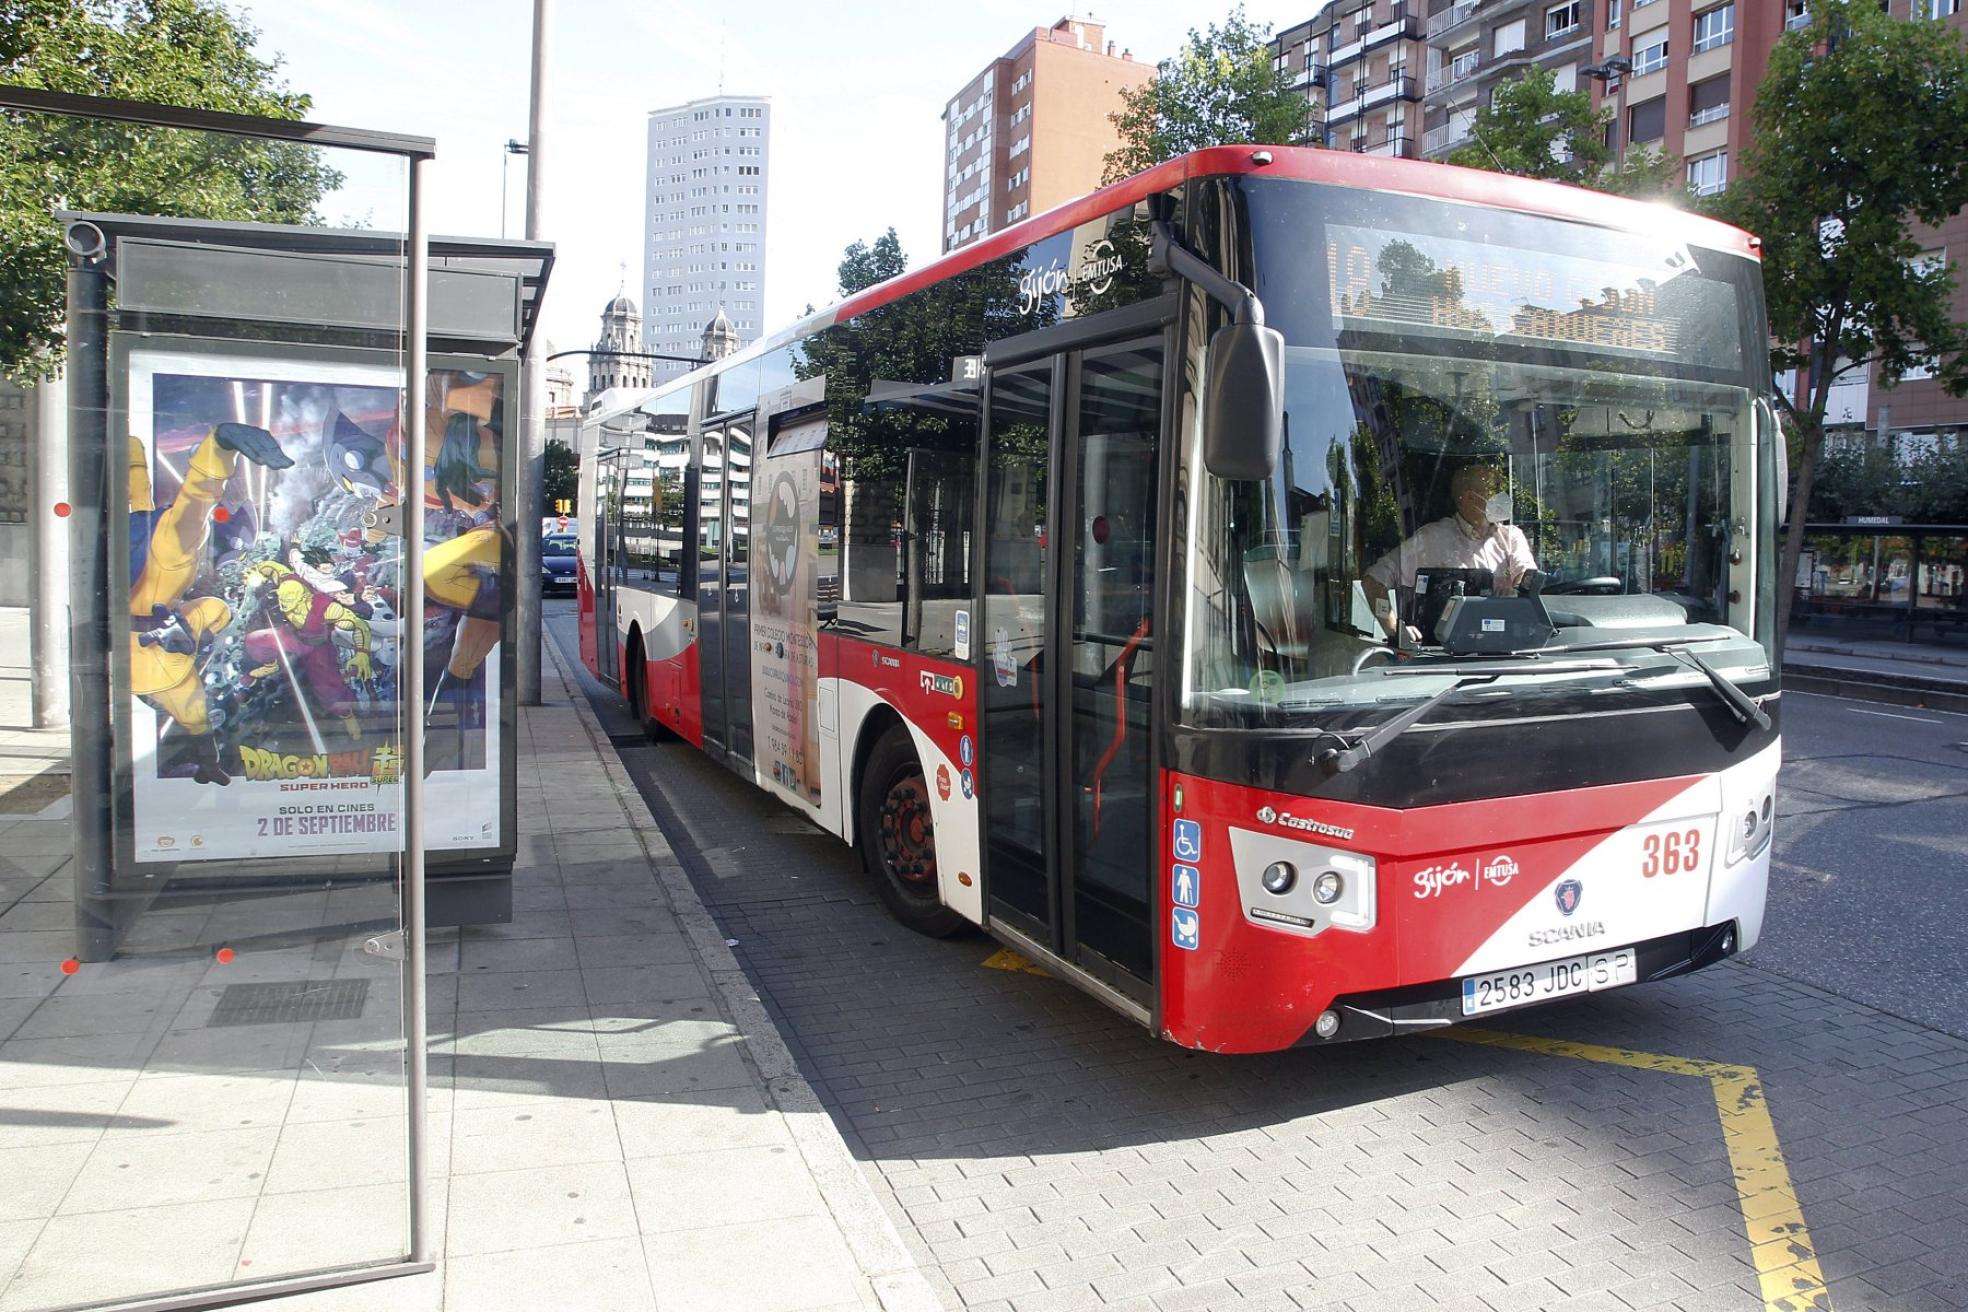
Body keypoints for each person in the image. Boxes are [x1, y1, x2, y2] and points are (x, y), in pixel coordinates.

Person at [1361, 463, 1537, 647]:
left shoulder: (1510, 537)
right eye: (1494, 490)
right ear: (1470, 497)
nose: (1503, 497)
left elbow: (1527, 576)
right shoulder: (1430, 540)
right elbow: (1373, 581)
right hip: (1441, 658)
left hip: (1506, 651)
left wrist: (1516, 592)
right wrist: (1394, 629)